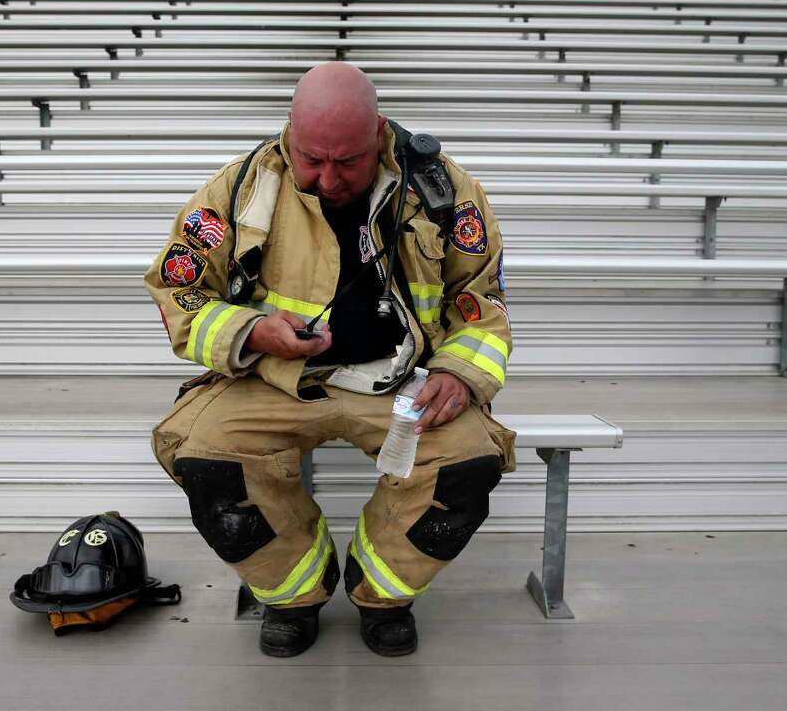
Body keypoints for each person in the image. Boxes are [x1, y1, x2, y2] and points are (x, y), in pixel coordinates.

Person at [144, 62, 515, 658]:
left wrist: (458, 372)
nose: (327, 178)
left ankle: (382, 594)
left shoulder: (445, 191)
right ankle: (293, 596)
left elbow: (481, 299)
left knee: (466, 470)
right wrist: (253, 330)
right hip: (277, 380)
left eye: (348, 162)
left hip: (402, 381)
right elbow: (179, 291)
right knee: (208, 462)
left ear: (379, 138)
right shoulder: (237, 190)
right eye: (311, 158)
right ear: (289, 131)